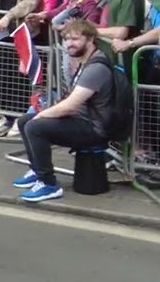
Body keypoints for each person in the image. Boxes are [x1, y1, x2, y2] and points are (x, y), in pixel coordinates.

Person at [13, 19, 116, 202]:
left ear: (90, 39)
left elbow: (71, 105)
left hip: (93, 128)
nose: (69, 43)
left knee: (34, 126)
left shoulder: (96, 67)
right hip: (81, 120)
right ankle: (37, 170)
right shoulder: (86, 62)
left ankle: (49, 184)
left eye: (75, 39)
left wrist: (42, 116)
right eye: (67, 39)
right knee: (24, 121)